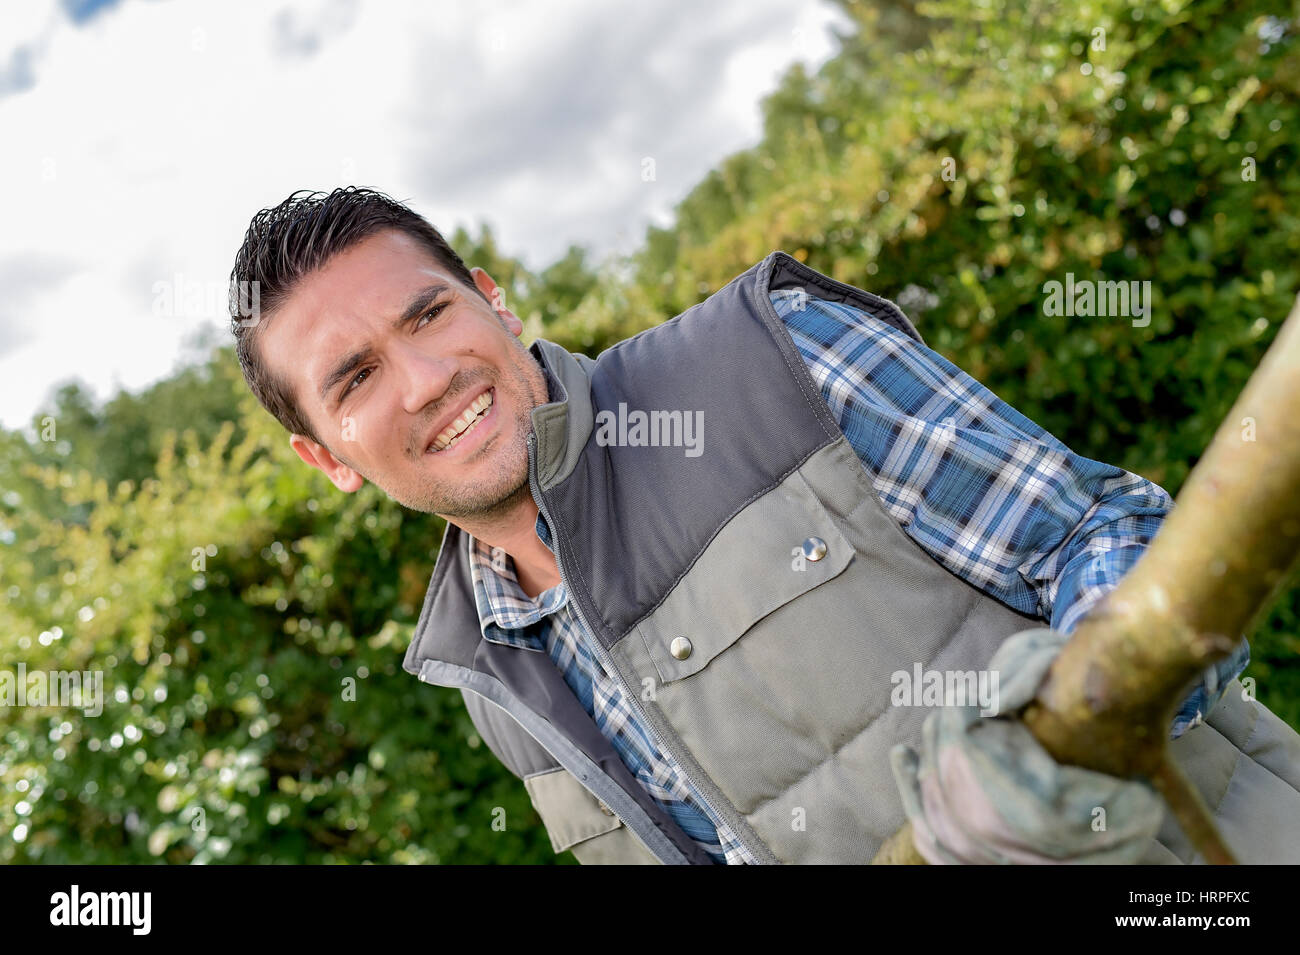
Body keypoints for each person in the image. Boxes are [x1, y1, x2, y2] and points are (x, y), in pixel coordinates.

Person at [228, 186, 1300, 864]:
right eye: (357, 377)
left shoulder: (769, 358)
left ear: (494, 303)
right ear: (326, 458)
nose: (424, 378)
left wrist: (1062, 730)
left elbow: (1104, 537)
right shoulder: (485, 675)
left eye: (429, 313)